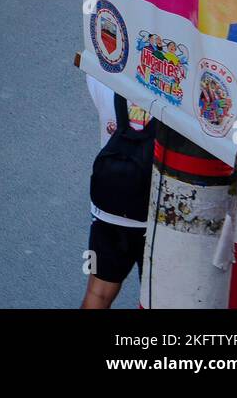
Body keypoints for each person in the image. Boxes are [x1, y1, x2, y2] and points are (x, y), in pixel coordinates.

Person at [81, 78, 155, 308]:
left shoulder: (102, 81)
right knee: (159, 298)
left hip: (109, 210)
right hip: (155, 217)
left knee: (98, 293)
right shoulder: (183, 98)